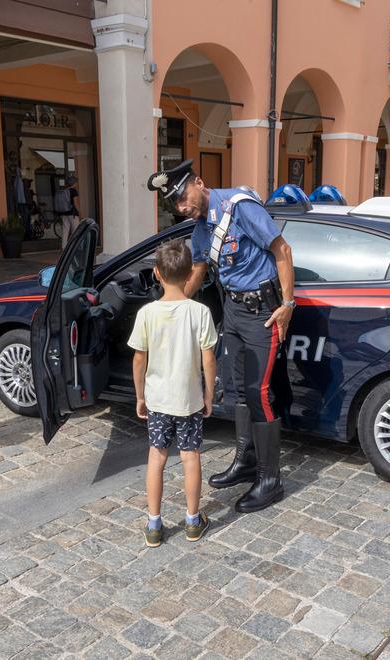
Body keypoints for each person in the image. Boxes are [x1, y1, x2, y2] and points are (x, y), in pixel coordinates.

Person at [147, 160, 296, 513]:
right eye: (177, 205)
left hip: (263, 310)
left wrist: (288, 304)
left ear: (199, 182)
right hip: (233, 310)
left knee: (259, 392)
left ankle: (270, 479)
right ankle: (246, 462)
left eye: (185, 197)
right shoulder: (200, 228)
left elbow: (282, 250)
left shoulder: (239, 207)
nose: (184, 207)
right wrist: (175, 301)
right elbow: (198, 269)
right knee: (238, 387)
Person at [128, 240, 218, 547]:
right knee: (191, 457)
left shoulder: (147, 314)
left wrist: (140, 396)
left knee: (157, 457)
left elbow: (139, 359)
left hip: (158, 400)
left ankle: (154, 524)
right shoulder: (200, 312)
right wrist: (208, 394)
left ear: (156, 273)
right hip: (189, 398)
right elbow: (208, 358)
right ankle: (193, 521)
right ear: (192, 272)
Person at [54, 176, 80, 248]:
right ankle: (74, 247)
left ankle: (64, 247)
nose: (77, 183)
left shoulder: (64, 191)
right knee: (75, 230)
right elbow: (75, 204)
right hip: (72, 214)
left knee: (65, 230)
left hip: (64, 213)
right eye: (76, 182)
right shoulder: (73, 191)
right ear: (73, 183)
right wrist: (80, 213)